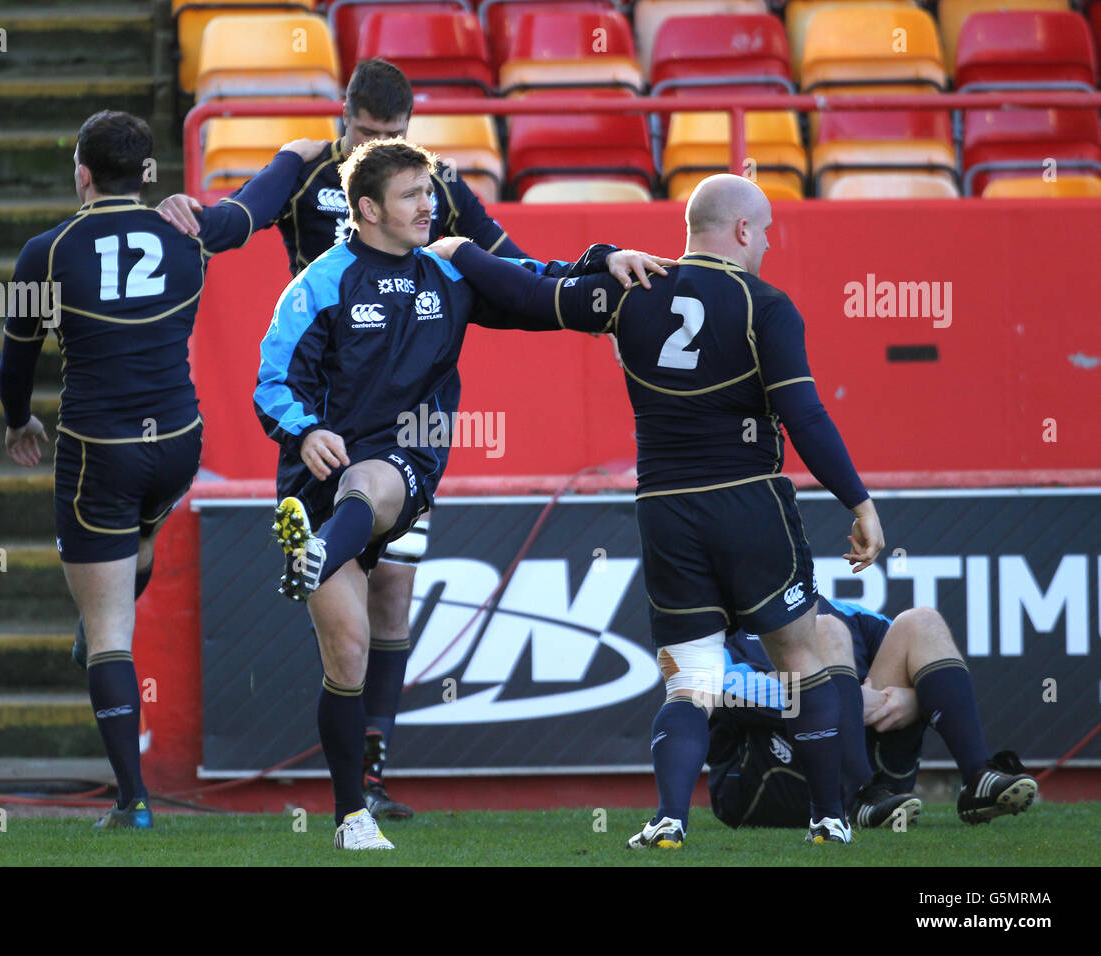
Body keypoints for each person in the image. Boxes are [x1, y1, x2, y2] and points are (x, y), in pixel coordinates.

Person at [427, 173, 893, 848]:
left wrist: (457, 251)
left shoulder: (631, 288)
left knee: (690, 681)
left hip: (665, 511)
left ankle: (669, 818)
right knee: (801, 658)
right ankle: (828, 819)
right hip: (748, 501)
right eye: (762, 230)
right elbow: (806, 416)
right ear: (740, 230)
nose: (765, 242)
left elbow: (524, 295)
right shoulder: (766, 303)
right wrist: (860, 501)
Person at [255, 138, 669, 849]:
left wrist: (606, 259)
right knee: (348, 654)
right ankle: (352, 816)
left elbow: (542, 285)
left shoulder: (451, 273)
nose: (429, 205)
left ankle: (316, 554)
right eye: (412, 194)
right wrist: (301, 431)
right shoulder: (317, 285)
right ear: (366, 209)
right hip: (315, 477)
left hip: (404, 461)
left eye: (429, 191)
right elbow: (272, 383)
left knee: (374, 479)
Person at [158, 58, 542, 821]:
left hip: (402, 408)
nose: (383, 142)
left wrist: (583, 280)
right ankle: (350, 792)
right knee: (349, 625)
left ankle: (369, 776)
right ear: (345, 116)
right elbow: (241, 218)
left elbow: (508, 263)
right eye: (369, 132)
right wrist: (195, 215)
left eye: (396, 134)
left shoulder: (424, 181)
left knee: (393, 594)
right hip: (322, 397)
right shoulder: (305, 163)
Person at [0, 109, 327, 829]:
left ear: (82, 172)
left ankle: (132, 801)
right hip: (179, 442)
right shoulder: (190, 230)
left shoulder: (45, 253)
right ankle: (115, 591)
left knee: (112, 634)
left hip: (98, 451)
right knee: (137, 538)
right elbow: (260, 205)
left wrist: (19, 419)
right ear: (145, 173)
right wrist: (299, 150)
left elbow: (14, 365)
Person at [709, 597, 1039, 828]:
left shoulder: (845, 613)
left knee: (921, 621)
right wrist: (838, 699)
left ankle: (978, 779)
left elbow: (938, 681)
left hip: (879, 782)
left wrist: (914, 700)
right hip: (767, 788)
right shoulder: (720, 627)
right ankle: (858, 794)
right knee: (825, 631)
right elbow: (723, 693)